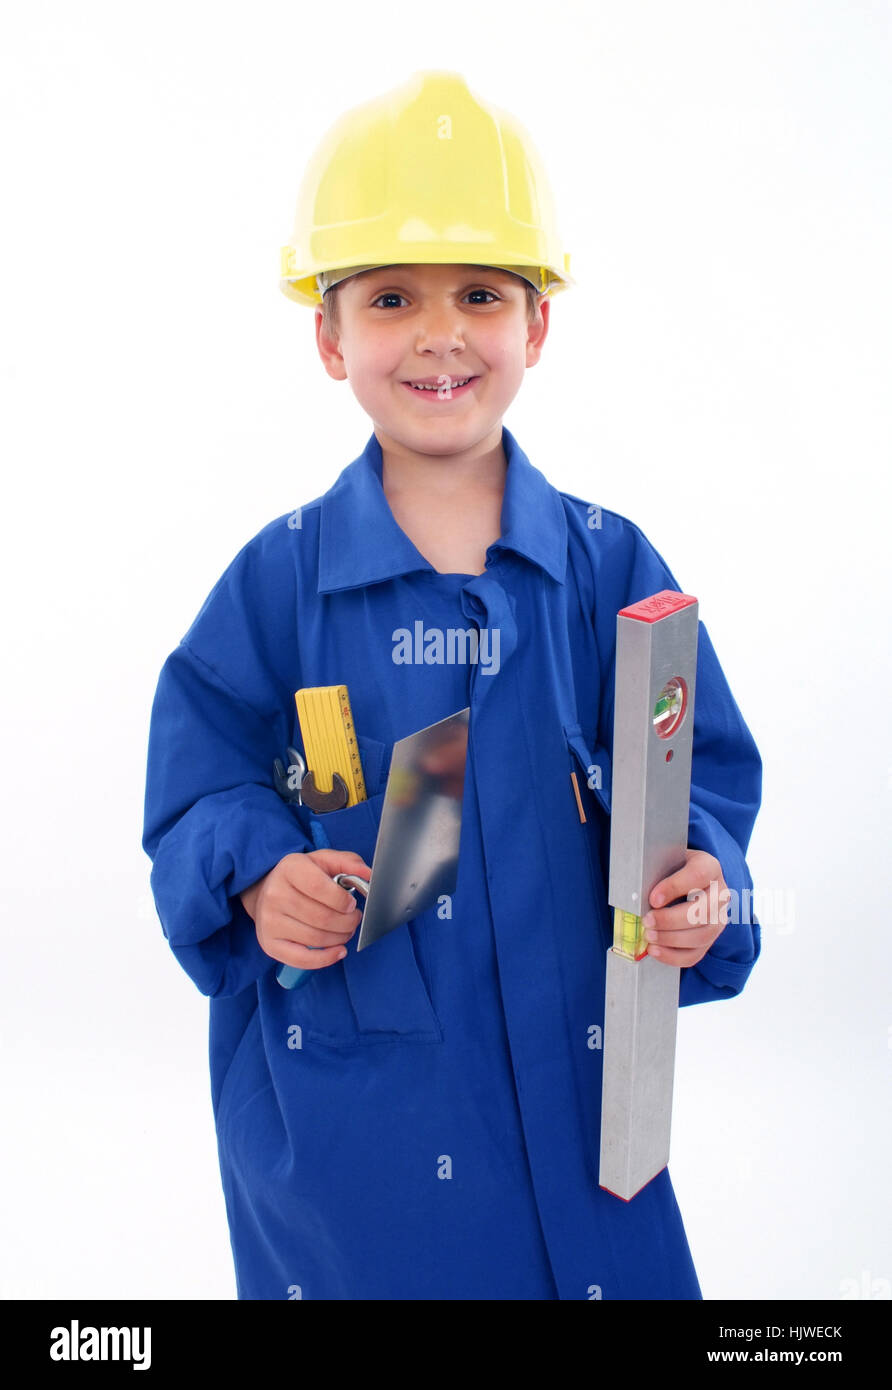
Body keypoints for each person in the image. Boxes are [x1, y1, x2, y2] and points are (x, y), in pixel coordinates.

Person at [142, 70, 762, 1300]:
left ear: (537, 327)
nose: (438, 332)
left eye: (481, 292)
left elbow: (700, 776)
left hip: (583, 1102)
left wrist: (705, 878)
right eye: (390, 297)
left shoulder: (607, 569)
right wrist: (259, 874)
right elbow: (198, 782)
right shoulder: (280, 584)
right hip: (355, 1125)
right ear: (330, 336)